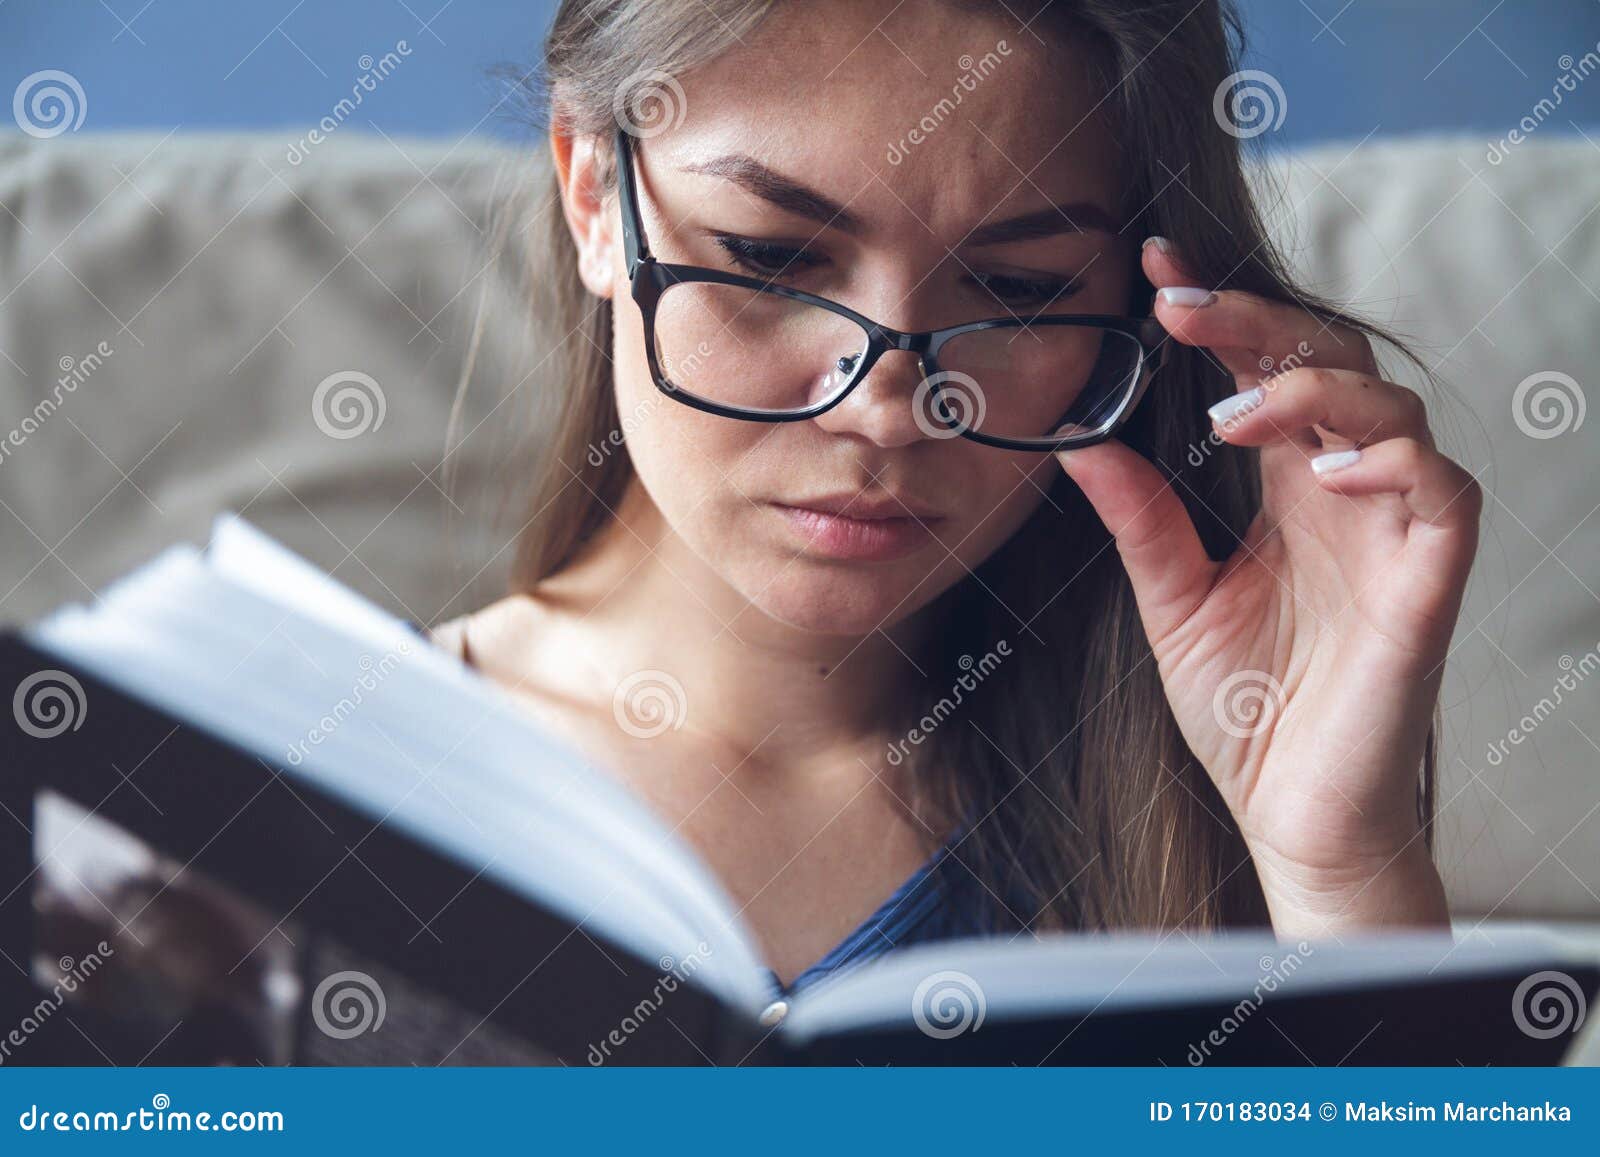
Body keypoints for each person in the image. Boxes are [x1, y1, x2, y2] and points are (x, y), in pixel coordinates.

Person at [431, 0, 1480, 1001]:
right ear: (589, 196)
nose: (889, 412)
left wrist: (1341, 872)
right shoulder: (324, 781)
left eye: (1020, 288)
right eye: (771, 256)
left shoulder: (1195, 801)